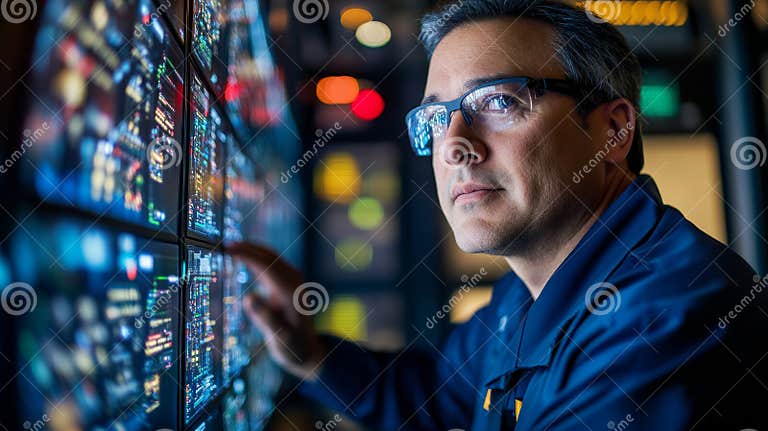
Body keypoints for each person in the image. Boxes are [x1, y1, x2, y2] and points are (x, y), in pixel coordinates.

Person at [228, 0, 768, 429]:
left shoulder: (663, 318)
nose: (453, 146)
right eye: (436, 119)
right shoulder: (526, 289)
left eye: (498, 101)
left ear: (612, 130)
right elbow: (442, 399)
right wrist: (313, 355)